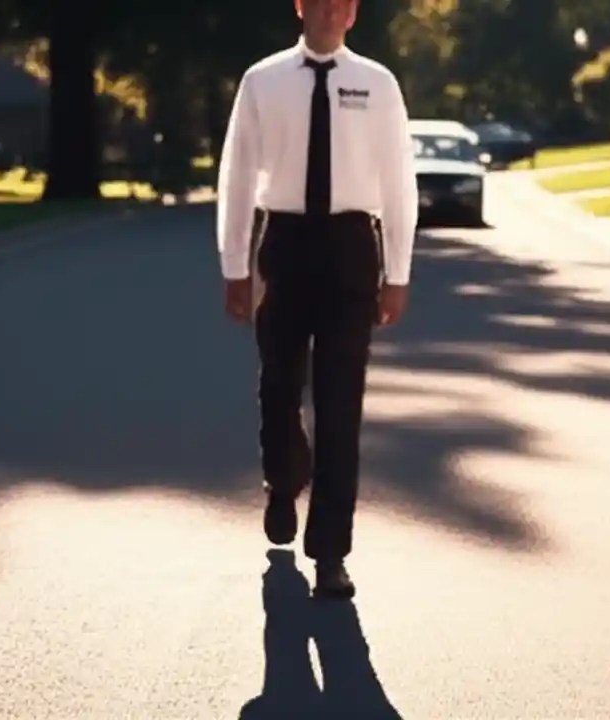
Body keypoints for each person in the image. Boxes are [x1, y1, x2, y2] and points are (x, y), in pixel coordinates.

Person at [215, 0, 419, 599]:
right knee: (278, 385)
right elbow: (237, 175)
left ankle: (330, 552)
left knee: (340, 404)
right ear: (300, 7)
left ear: (353, 14)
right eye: (320, 0)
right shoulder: (263, 81)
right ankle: (283, 478)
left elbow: (398, 181)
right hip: (285, 242)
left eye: (343, 3)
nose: (331, 11)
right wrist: (234, 266)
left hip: (351, 247)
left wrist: (398, 271)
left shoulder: (377, 85)